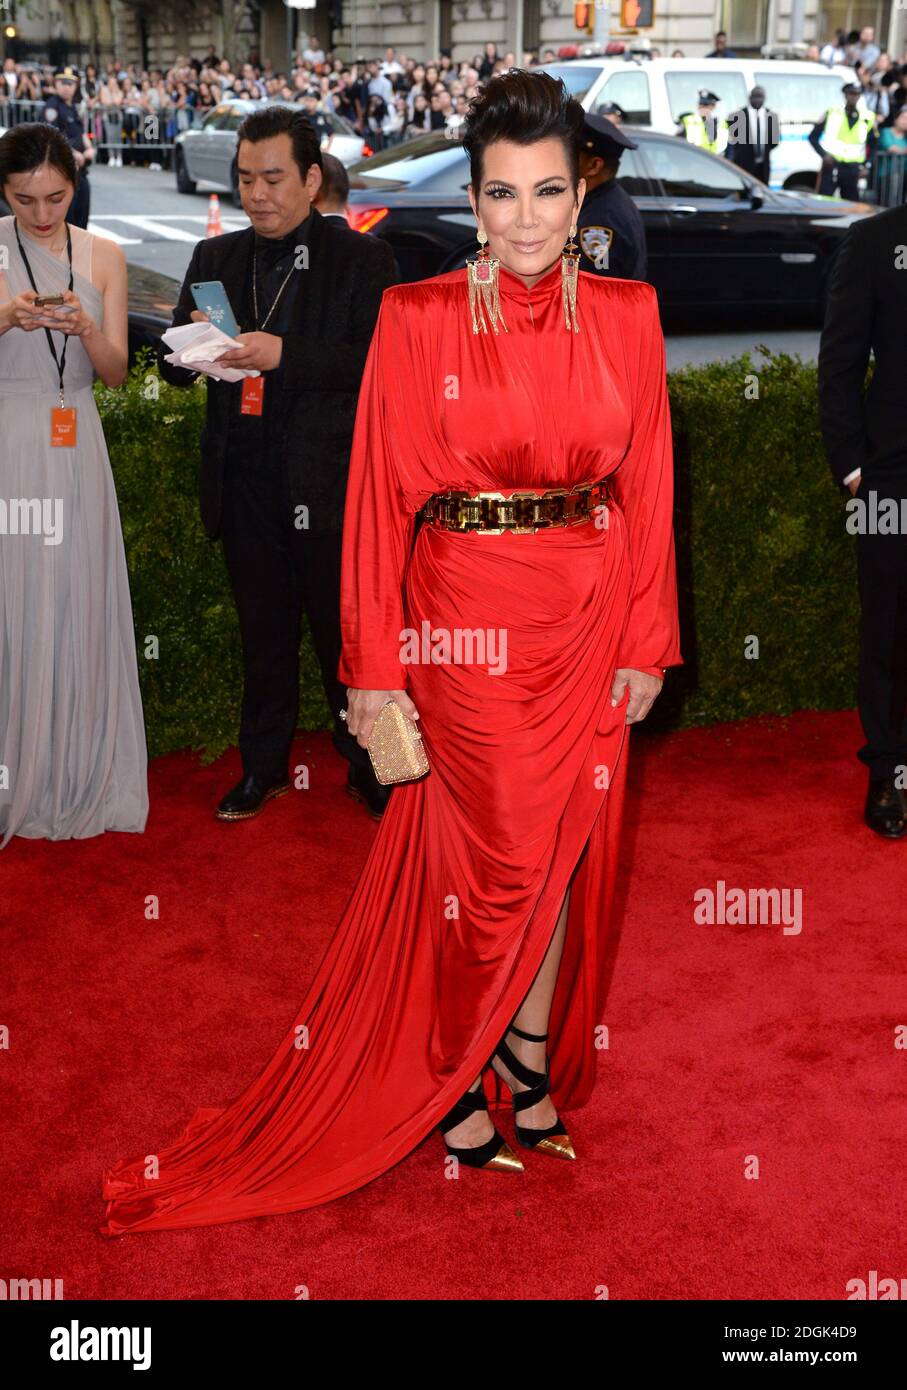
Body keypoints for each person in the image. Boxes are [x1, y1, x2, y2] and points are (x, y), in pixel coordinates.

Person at [99, 69, 681, 1237]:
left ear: (582, 199)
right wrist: (372, 677)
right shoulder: (417, 322)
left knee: (564, 851)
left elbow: (648, 482)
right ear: (472, 200)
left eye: (547, 192)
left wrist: (647, 637)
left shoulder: (627, 313)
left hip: (586, 617)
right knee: (491, 865)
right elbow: (373, 505)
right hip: (462, 627)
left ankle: (522, 1059)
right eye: (500, 194)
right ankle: (452, 1070)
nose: (523, 217)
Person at [156, 106, 396, 824]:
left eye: (272, 178)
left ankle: (373, 770)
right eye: (243, 178)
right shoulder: (214, 259)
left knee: (346, 642)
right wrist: (192, 351)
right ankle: (261, 768)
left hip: (329, 484)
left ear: (311, 179)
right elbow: (172, 370)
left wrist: (281, 354)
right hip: (244, 481)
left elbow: (381, 364)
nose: (256, 194)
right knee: (262, 641)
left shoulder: (361, 259)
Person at [0, 123, 148, 847]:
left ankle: (79, 768)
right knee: (14, 604)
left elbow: (116, 372)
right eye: (24, 199)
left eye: (55, 197)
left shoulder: (105, 253)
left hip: (76, 436)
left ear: (73, 185)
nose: (40, 214)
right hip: (8, 443)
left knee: (75, 597)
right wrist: (8, 315)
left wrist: (87, 327)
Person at [817, 204, 907, 837]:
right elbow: (840, 363)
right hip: (894, 474)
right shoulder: (875, 241)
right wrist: (853, 469)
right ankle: (890, 769)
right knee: (890, 628)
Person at [576, 112, 647, 280]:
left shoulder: (599, 222)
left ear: (594, 166)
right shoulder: (608, 199)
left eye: (570, 154)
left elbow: (593, 294)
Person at [40, 66, 95, 227]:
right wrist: (71, 153)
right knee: (66, 221)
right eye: (63, 82)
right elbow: (50, 137)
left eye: (70, 83)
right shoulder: (52, 107)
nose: (66, 87)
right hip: (61, 173)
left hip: (79, 172)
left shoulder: (72, 108)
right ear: (55, 84)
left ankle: (78, 251)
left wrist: (90, 147)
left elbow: (81, 133)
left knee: (81, 220)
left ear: (76, 86)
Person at [808, 82, 873, 199]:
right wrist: (823, 155)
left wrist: (867, 165)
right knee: (823, 201)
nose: (854, 97)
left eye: (857, 94)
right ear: (845, 94)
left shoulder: (867, 117)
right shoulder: (832, 113)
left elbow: (873, 145)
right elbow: (813, 137)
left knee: (851, 204)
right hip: (832, 165)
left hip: (852, 169)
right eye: (851, 93)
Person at [726, 86, 779, 185]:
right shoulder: (737, 116)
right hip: (744, 167)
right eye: (755, 96)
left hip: (763, 167)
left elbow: (774, 142)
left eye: (760, 97)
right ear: (750, 98)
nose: (758, 100)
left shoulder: (772, 116)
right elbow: (734, 142)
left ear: (764, 98)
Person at [677, 90, 729, 155]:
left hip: (714, 160)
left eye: (705, 105)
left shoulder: (721, 123)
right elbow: (678, 144)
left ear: (713, 106)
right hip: (692, 160)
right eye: (700, 104)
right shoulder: (687, 121)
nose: (702, 107)